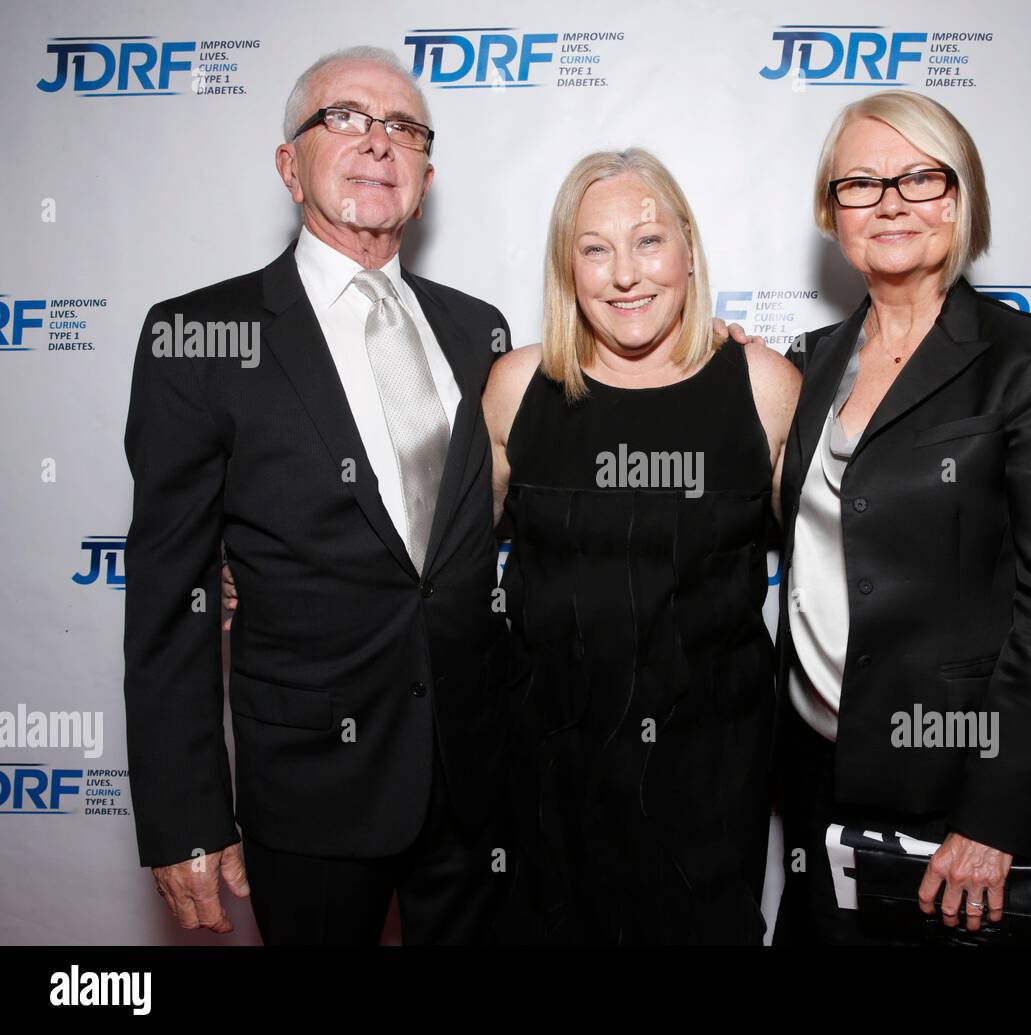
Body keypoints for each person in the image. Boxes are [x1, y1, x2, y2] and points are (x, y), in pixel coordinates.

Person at [123, 45, 528, 945]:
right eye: (343, 118)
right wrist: (186, 814)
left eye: (405, 128)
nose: (378, 142)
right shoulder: (199, 336)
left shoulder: (482, 331)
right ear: (288, 165)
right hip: (309, 785)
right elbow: (167, 598)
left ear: (427, 172)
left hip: (477, 782)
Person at [769, 90, 1031, 945]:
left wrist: (995, 816)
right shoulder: (804, 366)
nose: (891, 200)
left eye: (921, 177)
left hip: (964, 783)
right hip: (819, 771)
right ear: (832, 211)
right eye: (860, 182)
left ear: (963, 198)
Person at [480, 148, 801, 944]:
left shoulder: (762, 384)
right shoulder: (517, 386)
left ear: (688, 250)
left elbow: (845, 564)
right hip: (549, 775)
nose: (625, 274)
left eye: (649, 241)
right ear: (568, 266)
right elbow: (432, 563)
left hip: (709, 776)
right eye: (595, 248)